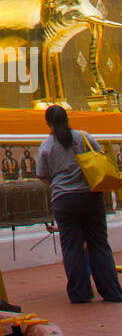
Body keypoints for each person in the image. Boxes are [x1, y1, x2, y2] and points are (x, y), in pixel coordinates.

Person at [37, 105, 122, 305]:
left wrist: (62, 185)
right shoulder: (84, 137)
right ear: (67, 118)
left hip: (64, 200)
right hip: (91, 196)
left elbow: (42, 175)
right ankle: (111, 292)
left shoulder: (47, 146)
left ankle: (80, 293)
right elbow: (101, 157)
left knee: (72, 246)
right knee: (99, 244)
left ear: (48, 123)